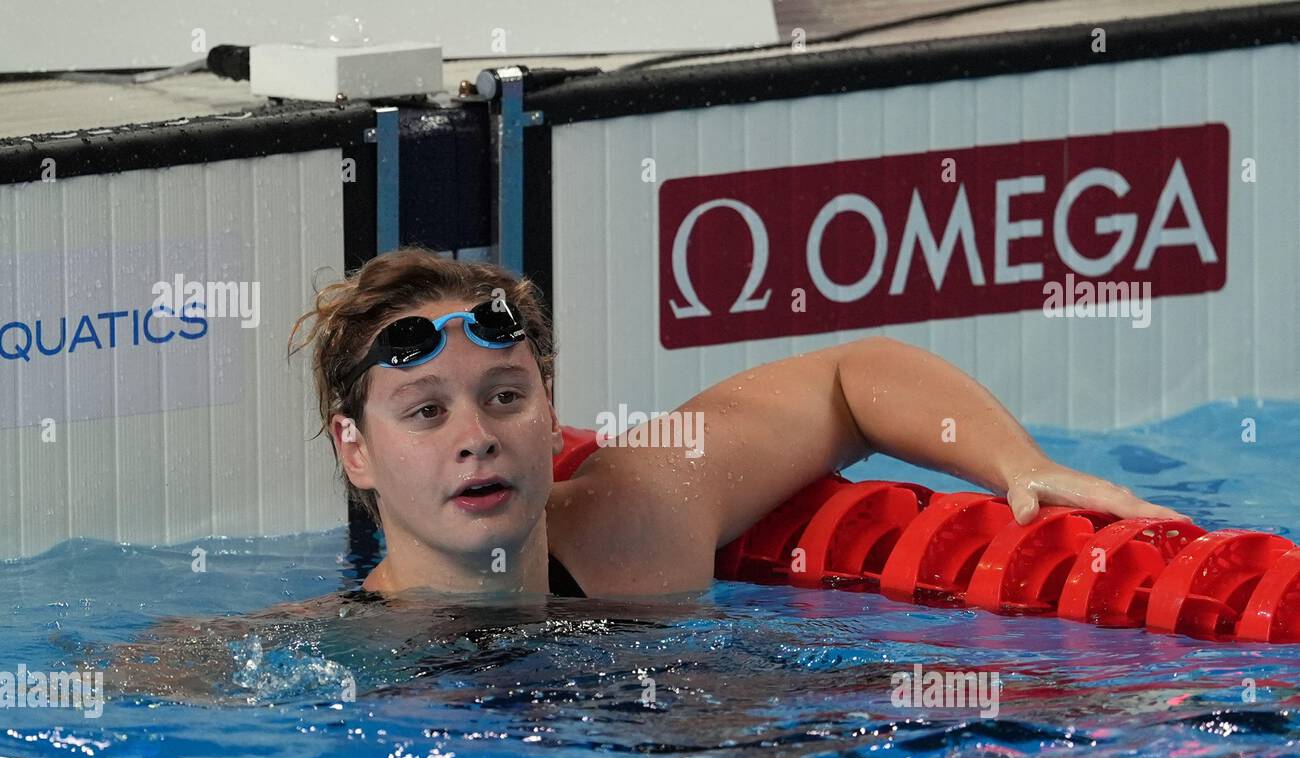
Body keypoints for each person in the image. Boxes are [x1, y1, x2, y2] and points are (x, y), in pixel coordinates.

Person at [288, 247, 1188, 601]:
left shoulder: (633, 516)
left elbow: (849, 378)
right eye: (426, 412)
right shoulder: (335, 662)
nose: (475, 435)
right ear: (355, 449)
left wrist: (1018, 466)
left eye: (505, 396)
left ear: (551, 412)